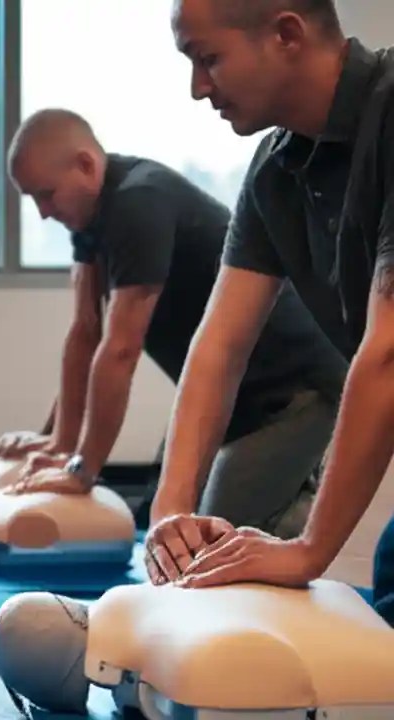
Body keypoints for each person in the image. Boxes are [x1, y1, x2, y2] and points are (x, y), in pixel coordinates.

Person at [146, 0, 394, 625]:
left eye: (209, 60)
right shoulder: (274, 174)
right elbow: (220, 348)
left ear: (286, 34)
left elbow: (388, 354)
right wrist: (170, 514)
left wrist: (308, 551)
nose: (198, 88)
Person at [0, 108, 347, 541]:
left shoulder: (138, 202)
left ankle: (308, 523)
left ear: (86, 165)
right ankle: (284, 502)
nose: (43, 212)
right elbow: (85, 333)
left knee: (209, 539)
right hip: (225, 393)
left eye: (46, 195)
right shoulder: (92, 215)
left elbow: (120, 349)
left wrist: (83, 469)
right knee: (162, 527)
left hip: (294, 393)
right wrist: (60, 444)